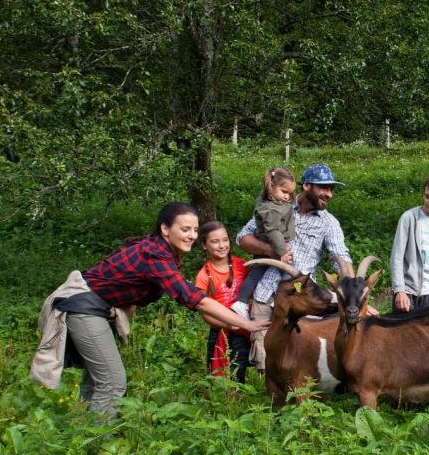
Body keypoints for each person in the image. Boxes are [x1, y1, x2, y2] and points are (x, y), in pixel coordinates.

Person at [30, 202, 268, 419]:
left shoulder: (162, 253)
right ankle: (96, 444)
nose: (192, 236)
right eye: (185, 229)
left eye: (195, 230)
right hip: (83, 307)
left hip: (95, 309)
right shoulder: (155, 255)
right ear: (166, 229)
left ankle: (83, 426)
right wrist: (246, 324)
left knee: (97, 378)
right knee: (113, 381)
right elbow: (197, 300)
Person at [236, 163, 357, 371]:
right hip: (266, 293)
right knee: (266, 361)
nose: (329, 194)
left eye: (331, 190)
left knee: (301, 360)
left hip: (301, 298)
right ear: (307, 186)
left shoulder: (328, 223)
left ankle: (301, 402)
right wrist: (270, 250)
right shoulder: (276, 205)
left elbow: (340, 257)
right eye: (324, 188)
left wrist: (354, 292)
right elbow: (242, 239)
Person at [195, 221, 251, 382]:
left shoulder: (241, 265)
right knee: (218, 376)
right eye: (214, 241)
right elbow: (205, 313)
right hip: (221, 332)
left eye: (225, 240)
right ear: (204, 245)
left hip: (245, 328)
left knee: (241, 369)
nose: (221, 245)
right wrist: (227, 324)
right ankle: (224, 404)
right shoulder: (203, 276)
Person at [390, 172, 429, 312]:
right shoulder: (409, 218)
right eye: (427, 196)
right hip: (408, 293)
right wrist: (399, 290)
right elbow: (397, 257)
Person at [235, 167, 297, 310]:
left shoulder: (276, 203)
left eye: (290, 193)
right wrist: (282, 252)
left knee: (258, 274)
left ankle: (243, 301)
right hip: (274, 245)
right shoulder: (270, 209)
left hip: (276, 244)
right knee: (286, 272)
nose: (288, 197)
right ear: (272, 186)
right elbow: (273, 231)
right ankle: (242, 302)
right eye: (284, 192)